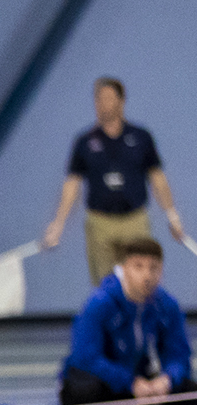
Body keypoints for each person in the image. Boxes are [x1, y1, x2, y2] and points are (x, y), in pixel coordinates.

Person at [59, 237, 195, 405]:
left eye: (154, 268)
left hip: (138, 387)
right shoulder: (100, 303)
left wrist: (166, 379)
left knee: (189, 390)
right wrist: (131, 382)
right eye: (138, 266)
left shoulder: (166, 306)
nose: (147, 275)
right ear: (124, 268)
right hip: (103, 384)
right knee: (81, 386)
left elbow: (179, 355)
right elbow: (85, 357)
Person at [41, 77, 185, 284]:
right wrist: (58, 223)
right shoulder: (85, 142)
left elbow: (157, 178)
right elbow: (72, 184)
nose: (103, 104)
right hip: (100, 223)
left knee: (139, 283)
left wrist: (172, 215)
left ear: (121, 101)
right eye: (99, 99)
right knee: (106, 286)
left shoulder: (141, 137)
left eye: (109, 98)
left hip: (134, 221)